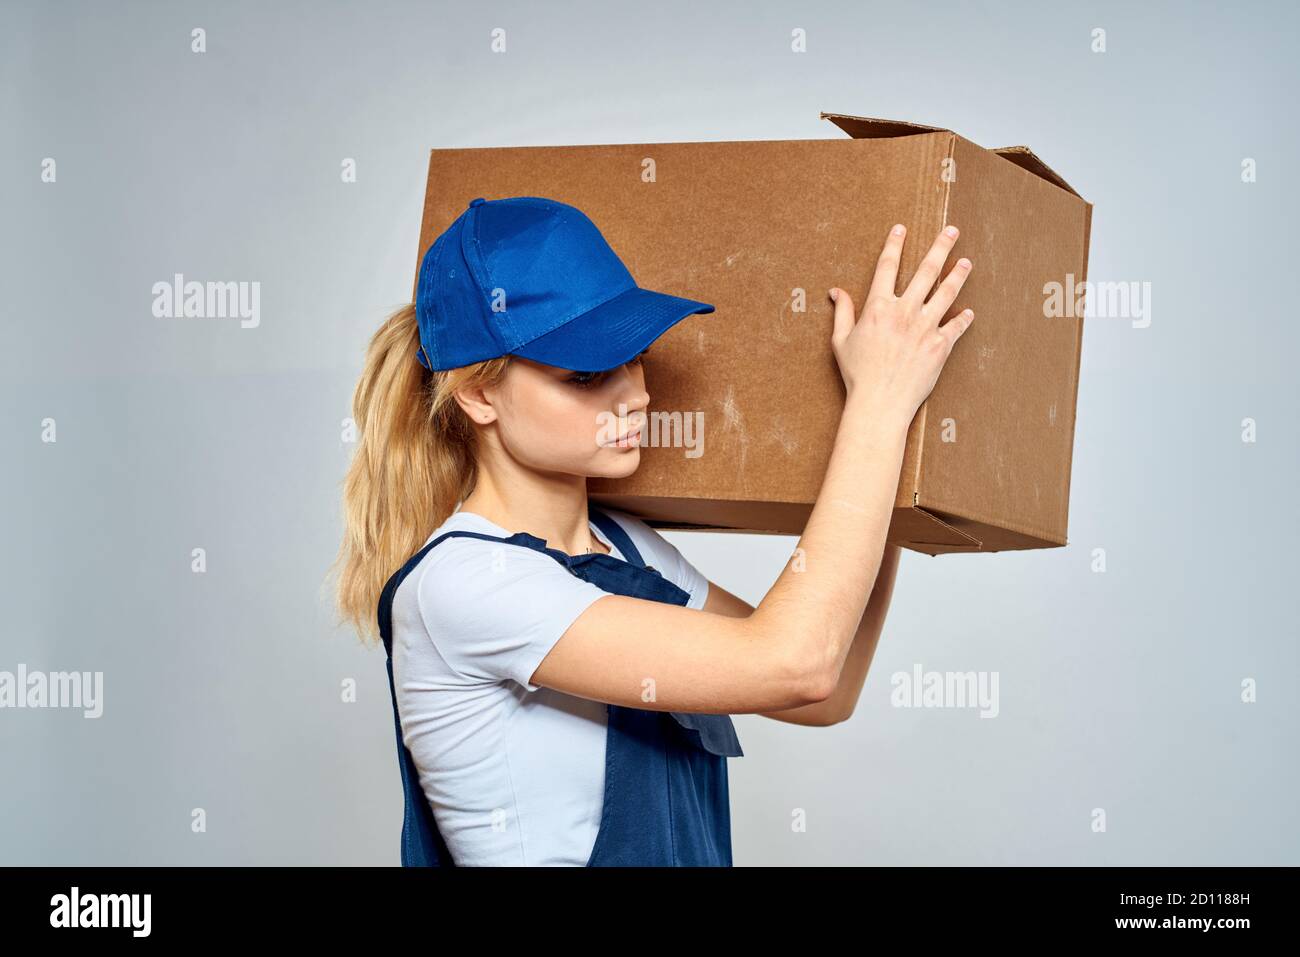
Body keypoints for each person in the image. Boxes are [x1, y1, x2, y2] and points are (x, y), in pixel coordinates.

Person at [332, 196, 974, 866]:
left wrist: (902, 433)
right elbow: (794, 663)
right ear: (478, 394)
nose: (636, 394)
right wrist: (878, 403)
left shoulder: (629, 548)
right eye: (586, 373)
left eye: (634, 354)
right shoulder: (461, 586)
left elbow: (828, 686)